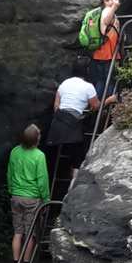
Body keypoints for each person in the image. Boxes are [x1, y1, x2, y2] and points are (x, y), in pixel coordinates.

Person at [47, 57, 115, 187]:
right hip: (73, 125)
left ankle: (53, 183)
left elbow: (56, 107)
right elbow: (96, 107)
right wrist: (109, 100)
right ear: (87, 71)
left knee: (55, 155)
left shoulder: (64, 83)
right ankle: (74, 183)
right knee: (78, 153)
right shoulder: (88, 87)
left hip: (57, 123)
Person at [7, 125, 49, 263]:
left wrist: (12, 190)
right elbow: (42, 180)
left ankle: (15, 262)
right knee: (30, 233)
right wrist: (46, 199)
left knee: (18, 232)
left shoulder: (15, 151)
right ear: (36, 138)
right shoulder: (39, 155)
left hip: (16, 196)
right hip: (32, 199)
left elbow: (9, 173)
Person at [89, 0, 122, 102]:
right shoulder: (107, 11)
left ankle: (99, 106)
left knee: (102, 81)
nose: (117, 2)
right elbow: (106, 21)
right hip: (106, 55)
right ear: (106, 1)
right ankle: (105, 107)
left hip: (103, 54)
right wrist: (114, 6)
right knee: (108, 81)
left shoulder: (108, 12)